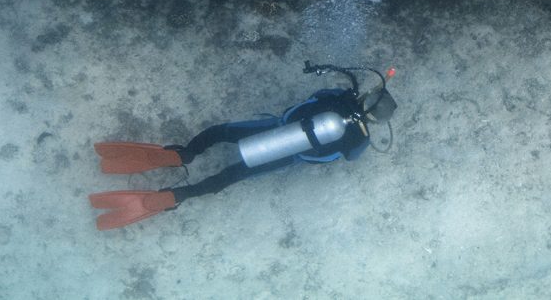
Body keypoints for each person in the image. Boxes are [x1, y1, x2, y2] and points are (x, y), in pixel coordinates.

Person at [88, 63, 397, 229]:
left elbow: (305, 104)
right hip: (283, 156)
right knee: (231, 176)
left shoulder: (340, 97)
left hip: (272, 129)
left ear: (368, 97)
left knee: (221, 132)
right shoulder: (362, 139)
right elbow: (345, 157)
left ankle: (182, 154)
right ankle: (179, 194)